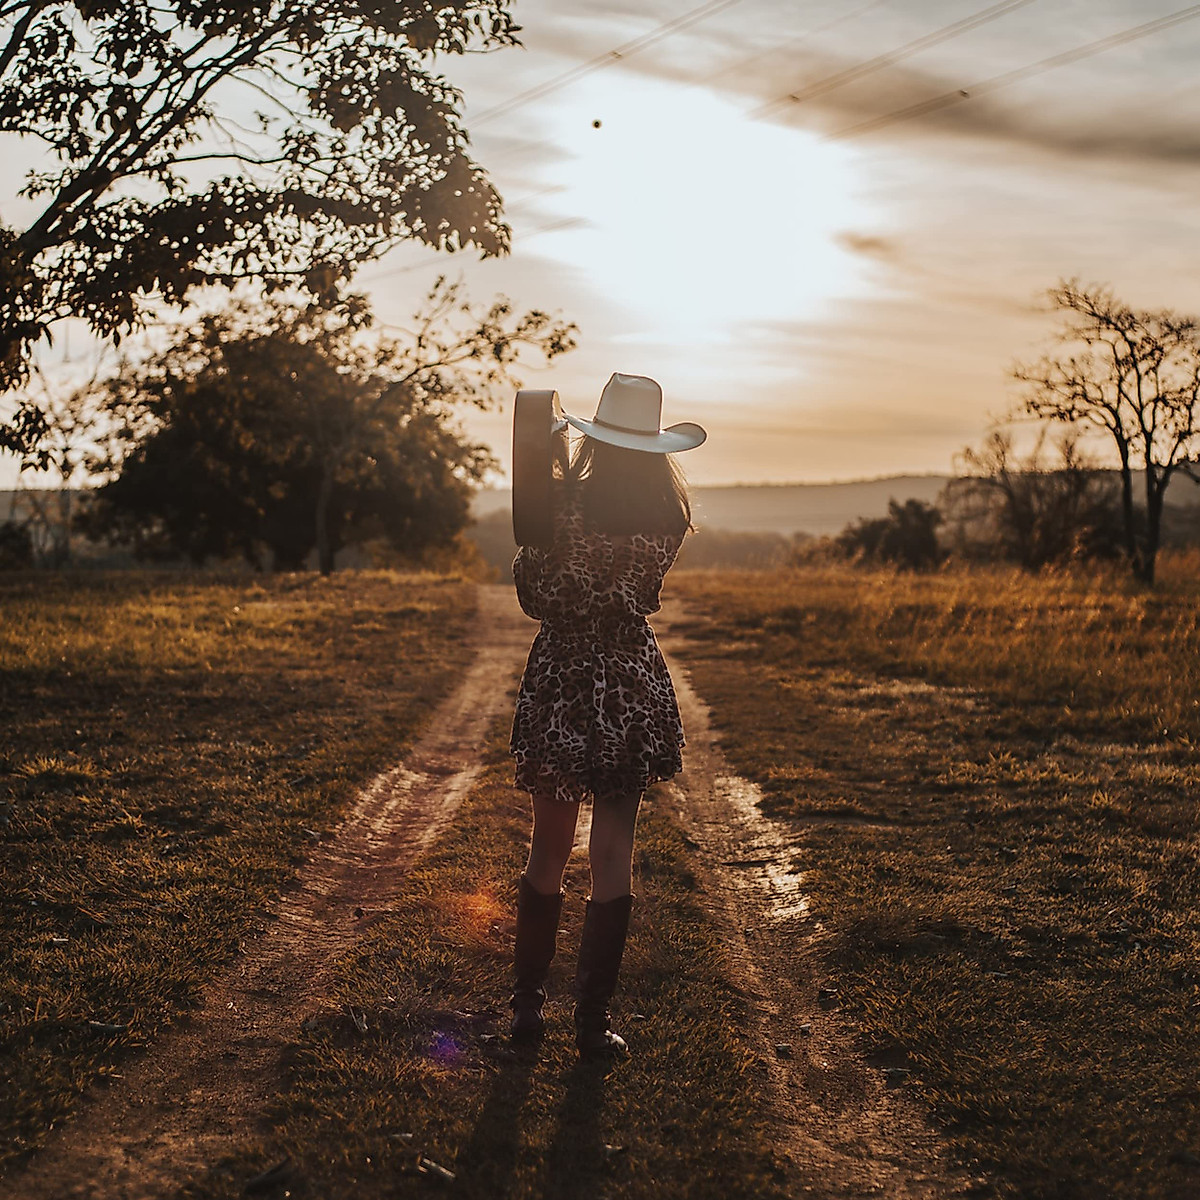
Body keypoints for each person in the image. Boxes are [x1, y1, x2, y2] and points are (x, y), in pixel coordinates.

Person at [507, 372, 707, 1058]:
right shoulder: (666, 514)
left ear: (595, 435)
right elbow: (634, 589)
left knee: (548, 851)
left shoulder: (560, 505)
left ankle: (527, 1016)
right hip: (627, 677)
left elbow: (538, 595)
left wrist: (554, 469)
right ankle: (592, 1026)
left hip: (564, 674)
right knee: (614, 855)